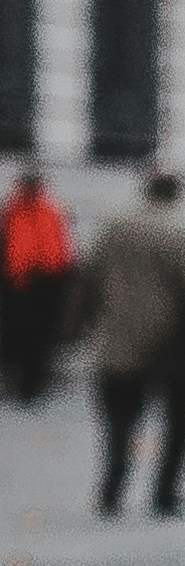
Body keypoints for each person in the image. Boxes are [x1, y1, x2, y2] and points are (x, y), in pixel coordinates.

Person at [80, 171, 185, 519]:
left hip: (118, 342)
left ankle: (112, 489)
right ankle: (165, 493)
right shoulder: (181, 232)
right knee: (180, 420)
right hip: (168, 345)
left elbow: (87, 278)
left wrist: (79, 326)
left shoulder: (114, 227)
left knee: (120, 420)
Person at [2, 165, 75, 403]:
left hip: (33, 284)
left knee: (30, 336)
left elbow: (58, 251)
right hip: (28, 284)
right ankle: (27, 381)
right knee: (29, 336)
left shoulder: (27, 210)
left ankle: (28, 382)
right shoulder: (31, 210)